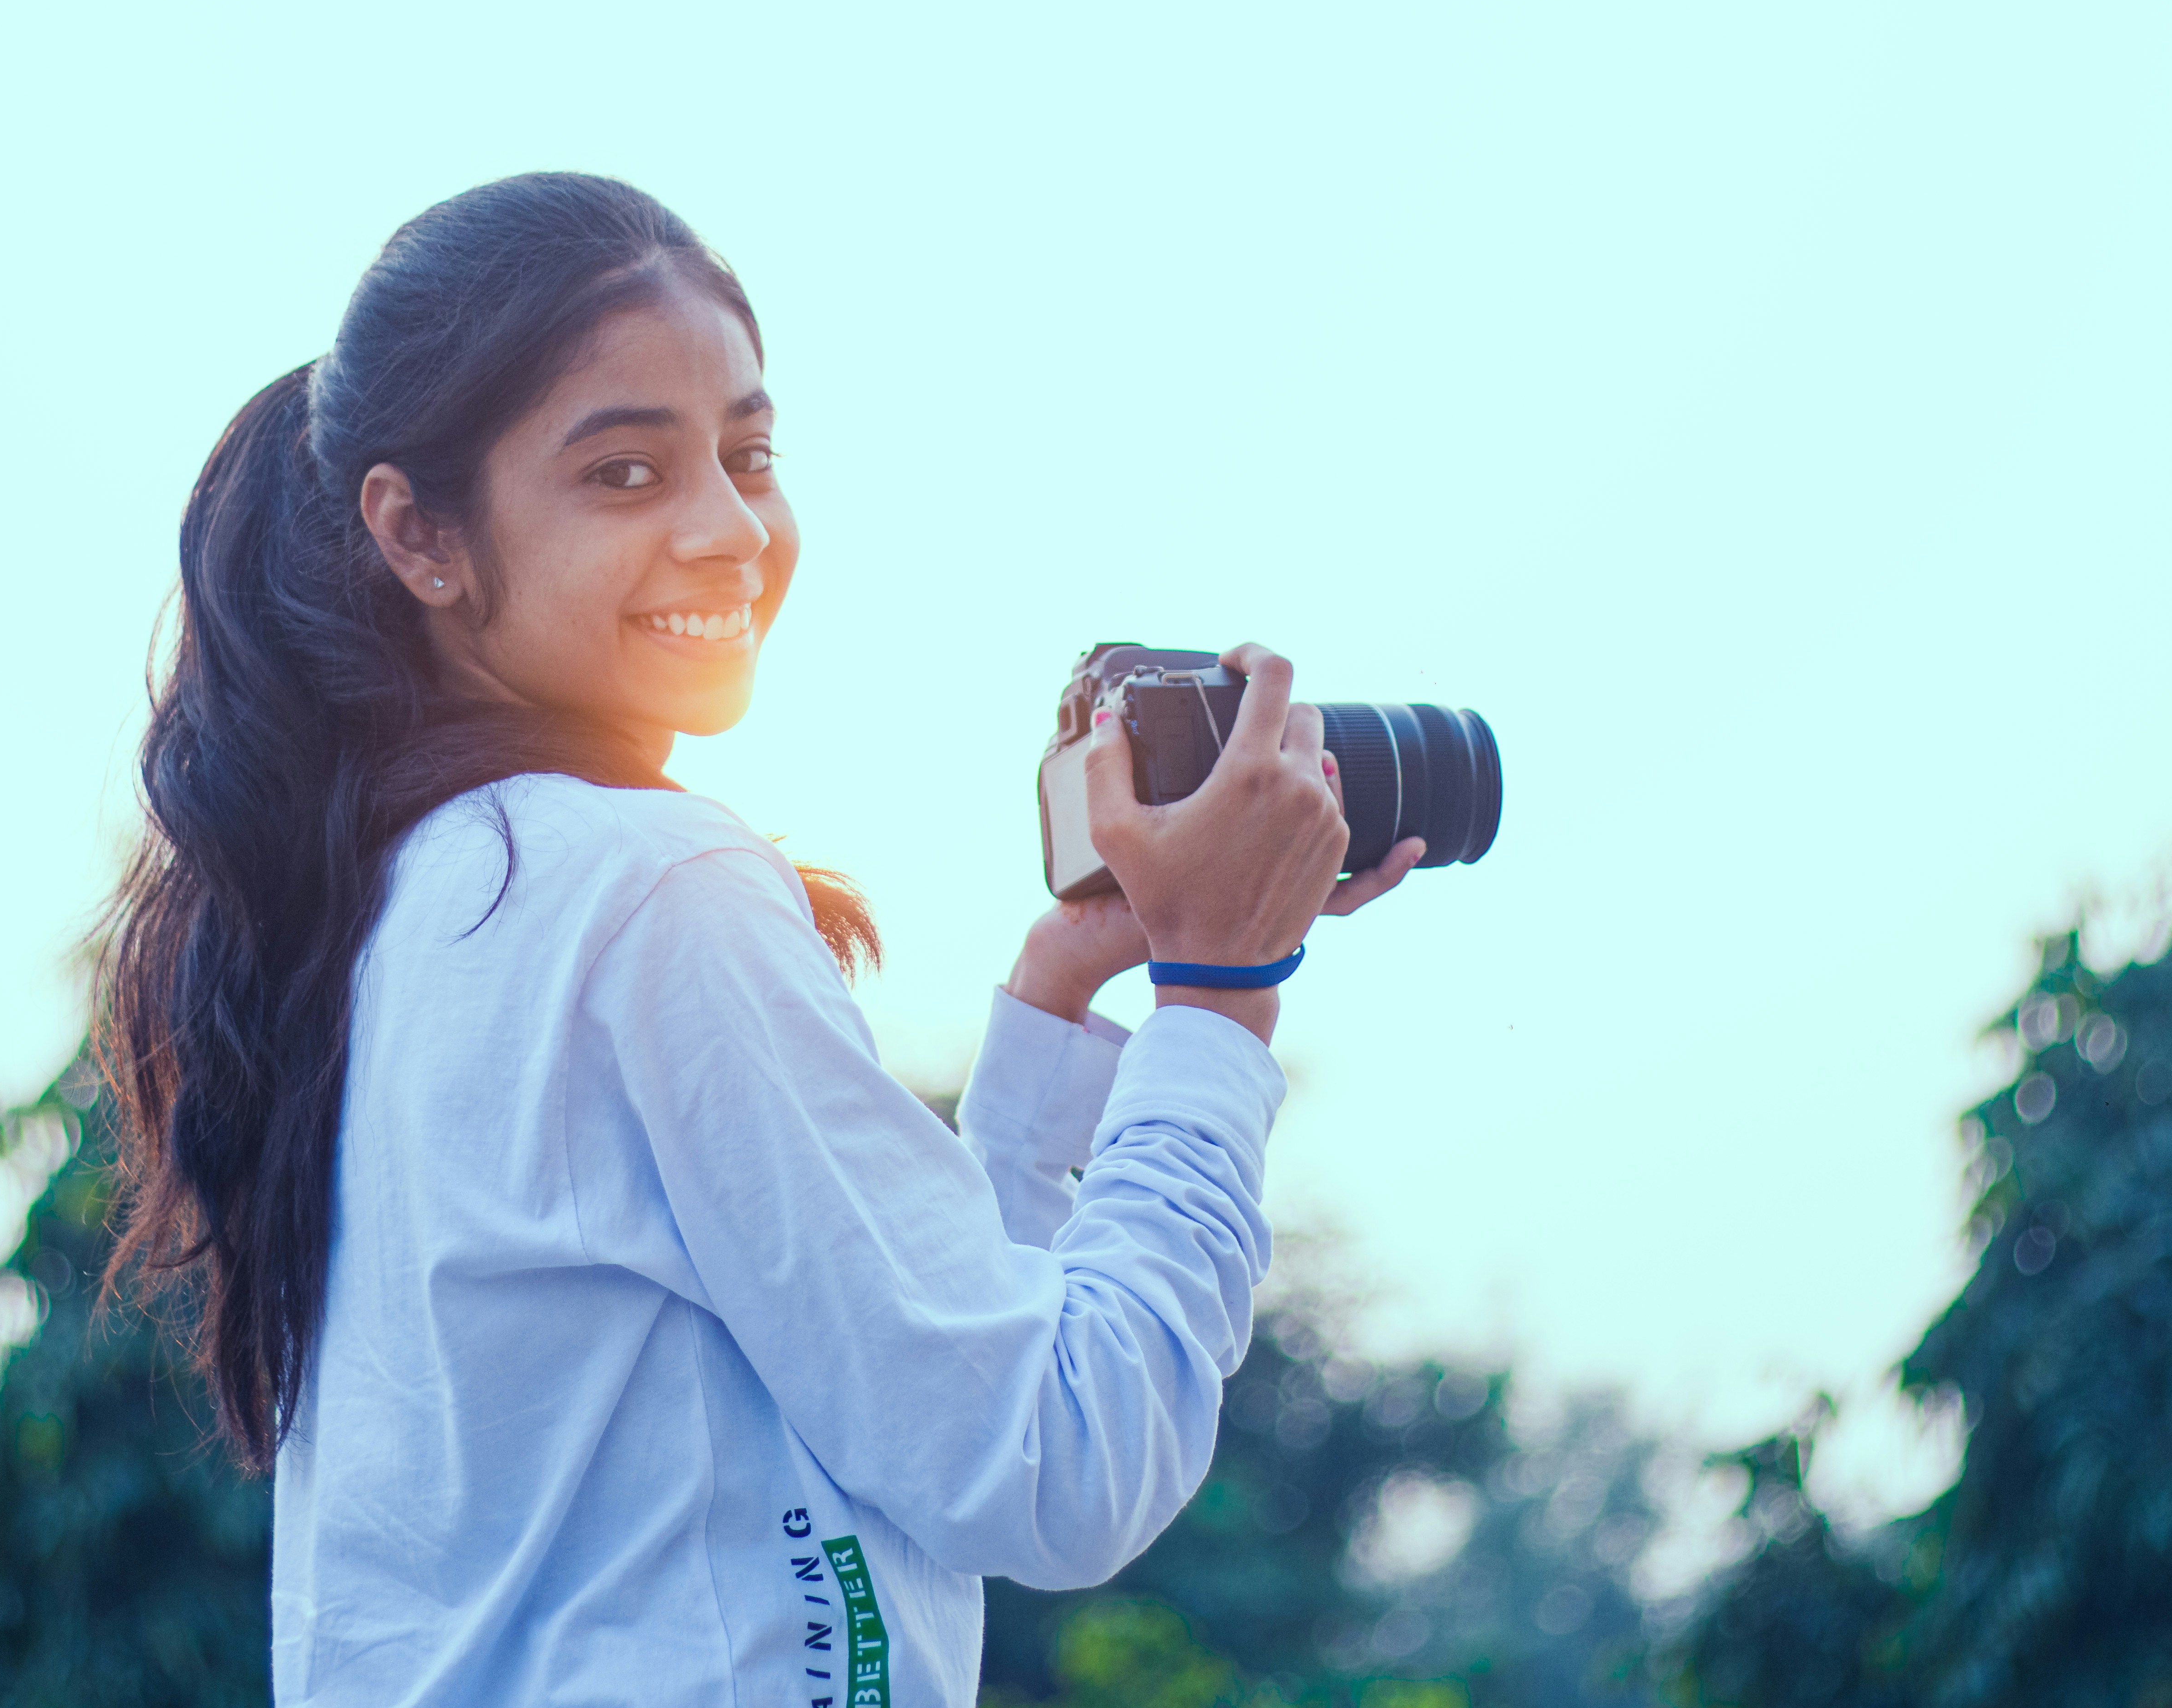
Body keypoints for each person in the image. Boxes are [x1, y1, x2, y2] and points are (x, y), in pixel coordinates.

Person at [98, 173, 1425, 1708]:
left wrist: (1065, 995)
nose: (728, 530)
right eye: (624, 473)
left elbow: (904, 1381)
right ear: (419, 532)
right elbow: (1055, 1461)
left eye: (748, 454)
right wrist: (1220, 994)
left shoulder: (420, 897)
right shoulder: (645, 889)